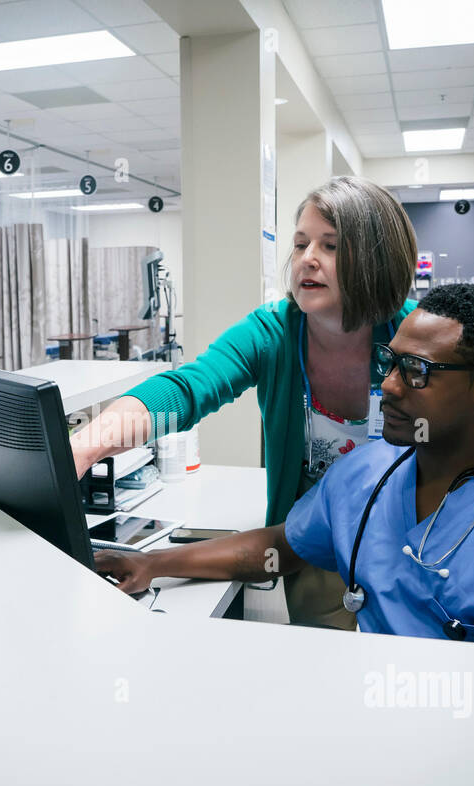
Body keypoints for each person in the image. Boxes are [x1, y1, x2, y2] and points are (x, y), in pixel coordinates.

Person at [95, 284, 474, 656]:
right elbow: (283, 546)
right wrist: (154, 563)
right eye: (389, 363)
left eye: (415, 372)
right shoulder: (371, 470)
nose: (387, 386)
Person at [71, 176, 420, 628]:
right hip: (309, 549)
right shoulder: (273, 334)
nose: (307, 259)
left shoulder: (416, 338)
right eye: (300, 244)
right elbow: (187, 388)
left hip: (407, 549)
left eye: (331, 246)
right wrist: (87, 445)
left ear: (376, 260)